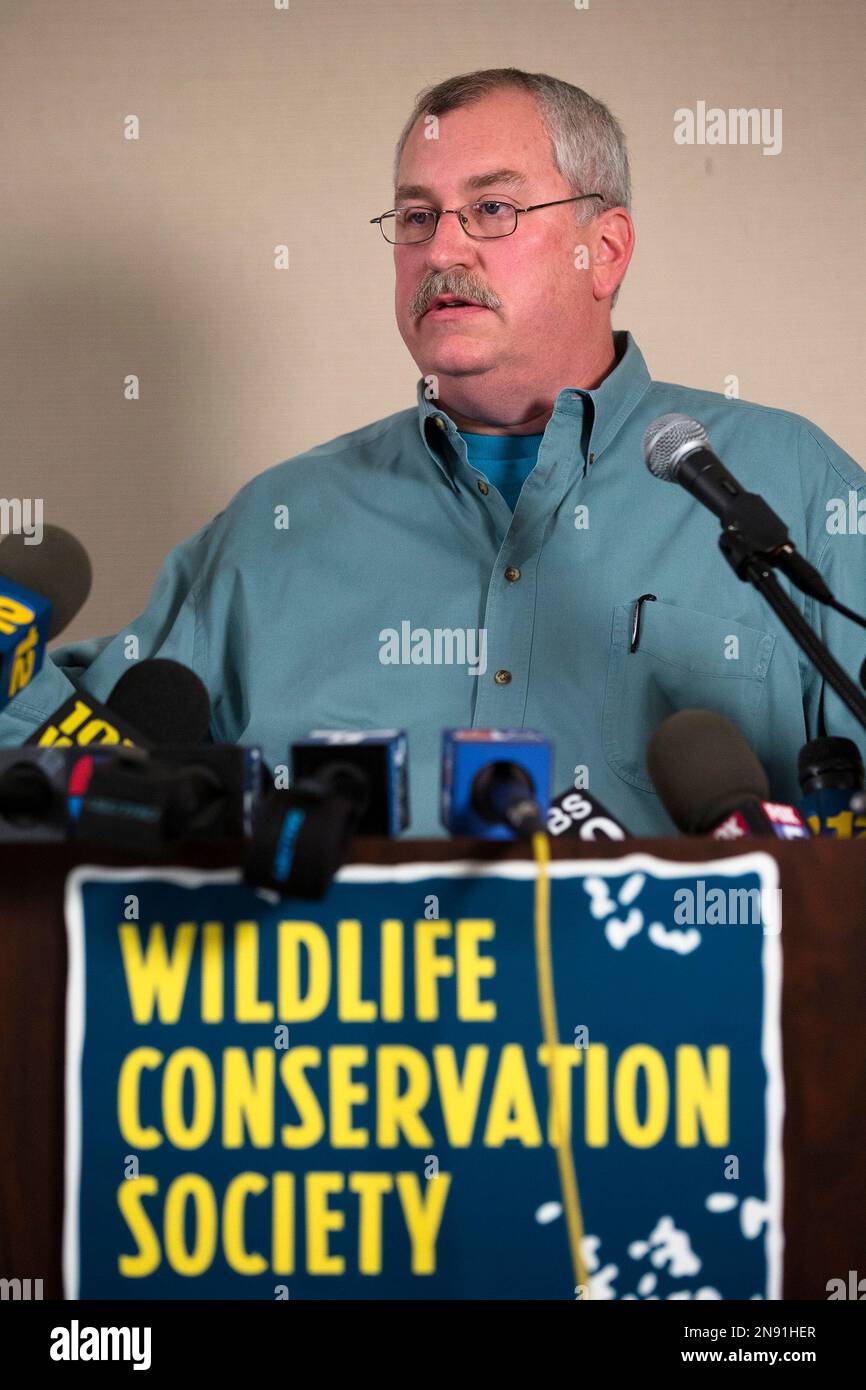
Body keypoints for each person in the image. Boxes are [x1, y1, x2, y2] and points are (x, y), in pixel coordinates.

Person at [2, 67, 864, 836]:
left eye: (492, 208)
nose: (441, 250)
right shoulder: (275, 526)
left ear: (603, 251)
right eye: (417, 217)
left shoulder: (788, 485)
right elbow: (66, 788)